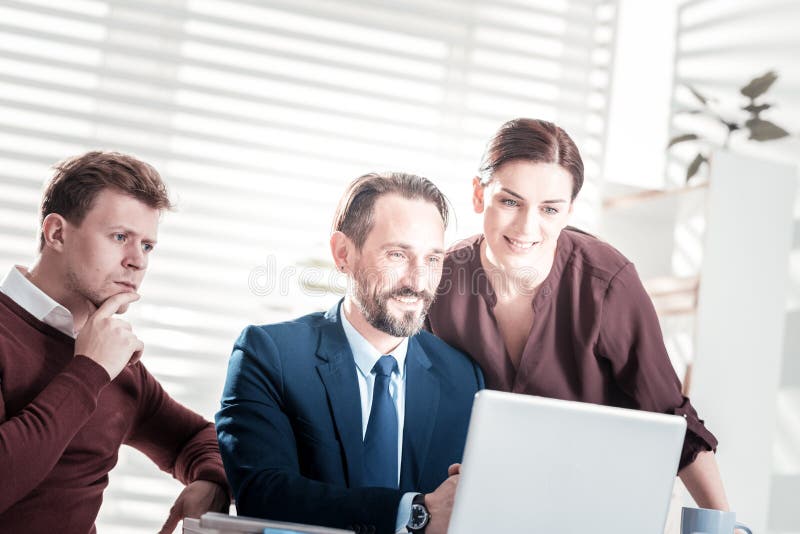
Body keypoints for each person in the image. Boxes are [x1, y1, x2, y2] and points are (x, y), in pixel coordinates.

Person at [426, 118, 731, 510]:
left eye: (549, 209)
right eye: (509, 201)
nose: (526, 227)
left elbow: (672, 417)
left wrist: (724, 521)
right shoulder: (439, 279)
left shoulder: (606, 281)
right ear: (478, 194)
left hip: (597, 503)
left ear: (569, 210)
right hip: (483, 500)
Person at [216, 172, 484, 534]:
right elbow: (263, 495)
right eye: (397, 254)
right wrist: (413, 511)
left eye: (433, 259)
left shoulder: (463, 379)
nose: (418, 280)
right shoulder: (270, 356)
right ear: (343, 254)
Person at [0, 152, 230, 534]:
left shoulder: (114, 359)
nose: (137, 261)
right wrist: (89, 371)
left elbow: (197, 438)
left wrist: (212, 482)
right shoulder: (96, 358)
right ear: (56, 232)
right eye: (120, 237)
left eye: (148, 246)